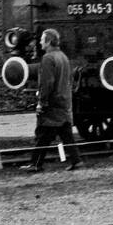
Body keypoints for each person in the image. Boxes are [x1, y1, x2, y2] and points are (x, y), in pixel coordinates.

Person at [25, 29, 82, 171]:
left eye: (42, 39)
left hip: (52, 103)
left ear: (49, 42)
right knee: (65, 133)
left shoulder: (48, 59)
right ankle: (76, 160)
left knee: (43, 134)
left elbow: (47, 83)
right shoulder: (63, 57)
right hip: (64, 101)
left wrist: (41, 102)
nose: (39, 42)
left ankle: (36, 164)